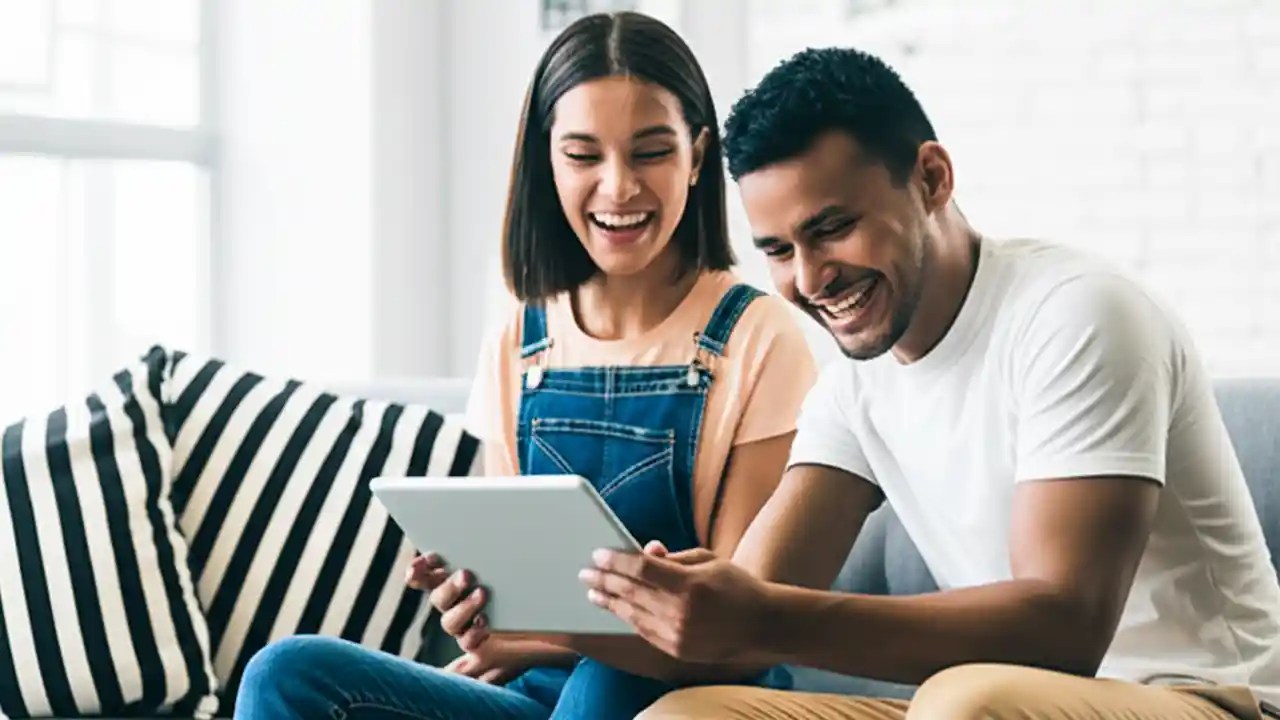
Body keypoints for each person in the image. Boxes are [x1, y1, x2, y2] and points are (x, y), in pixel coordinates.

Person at [579, 47, 1280, 719]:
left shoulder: (1077, 314)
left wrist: (761, 617)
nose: (811, 278)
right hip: (993, 707)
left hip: (1206, 700)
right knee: (687, 714)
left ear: (933, 179)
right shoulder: (853, 388)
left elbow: (1065, 628)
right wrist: (588, 616)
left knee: (965, 703)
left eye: (833, 228)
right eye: (779, 251)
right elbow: (751, 609)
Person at [233, 12, 815, 720]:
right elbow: (517, 600)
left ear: (696, 156)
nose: (618, 187)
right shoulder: (519, 340)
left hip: (686, 693)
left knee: (611, 676)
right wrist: (481, 610)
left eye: (650, 152)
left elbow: (735, 626)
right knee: (288, 673)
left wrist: (539, 638)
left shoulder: (758, 336)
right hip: (540, 698)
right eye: (583, 155)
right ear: (548, 162)